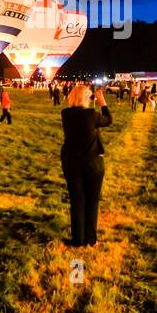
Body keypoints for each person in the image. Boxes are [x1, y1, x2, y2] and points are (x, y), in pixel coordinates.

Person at [60, 84, 113, 247]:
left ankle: (78, 239)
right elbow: (108, 121)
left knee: (77, 200)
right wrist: (102, 102)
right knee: (92, 201)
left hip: (71, 161)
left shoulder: (66, 114)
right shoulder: (91, 115)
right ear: (85, 98)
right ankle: (91, 239)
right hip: (92, 163)